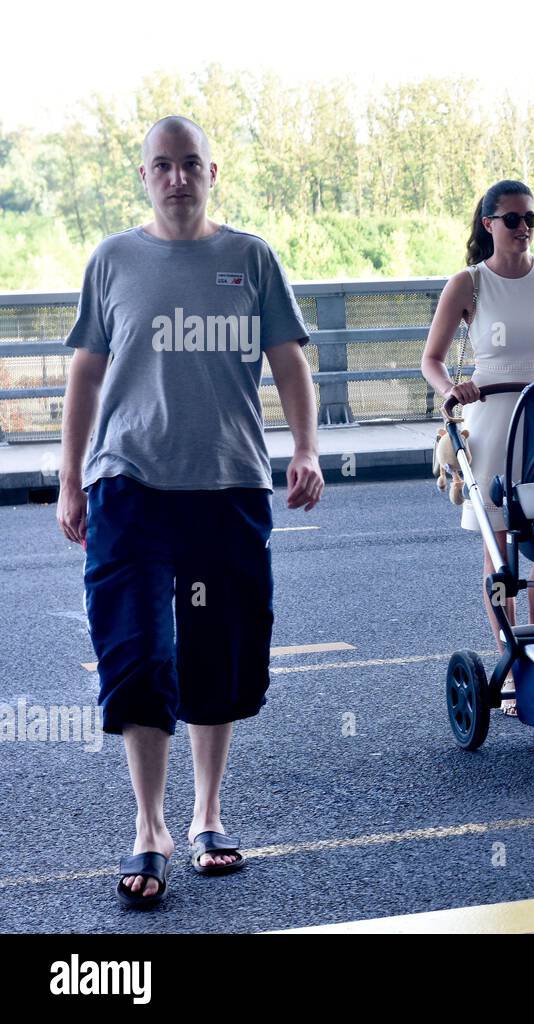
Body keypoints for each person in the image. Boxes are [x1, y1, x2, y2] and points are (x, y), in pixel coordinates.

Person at [56, 115, 323, 907]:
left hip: (226, 486)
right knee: (138, 654)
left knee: (219, 651)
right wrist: (71, 480)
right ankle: (150, 827)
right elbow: (85, 377)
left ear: (215, 174)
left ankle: (207, 816)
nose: (178, 178)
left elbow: (290, 363)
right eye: (163, 165)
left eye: (191, 165)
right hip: (128, 486)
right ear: (145, 176)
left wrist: (305, 449)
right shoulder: (112, 261)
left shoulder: (250, 258)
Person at [421, 180, 534, 714]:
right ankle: (510, 662)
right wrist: (452, 391)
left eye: (531, 219)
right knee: (502, 550)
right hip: (491, 421)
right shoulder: (467, 284)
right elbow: (432, 360)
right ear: (488, 223)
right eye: (513, 219)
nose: (523, 229)